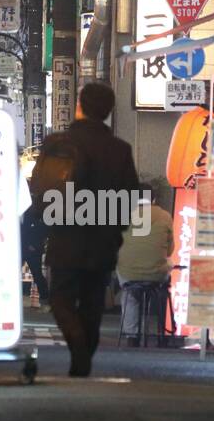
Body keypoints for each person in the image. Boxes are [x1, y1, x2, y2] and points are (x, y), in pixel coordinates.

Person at [34, 81, 139, 377]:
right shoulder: (119, 150)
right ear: (108, 111)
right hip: (103, 238)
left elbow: (41, 186)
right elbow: (130, 195)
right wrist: (115, 227)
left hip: (65, 235)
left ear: (79, 105)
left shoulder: (58, 143)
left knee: (60, 298)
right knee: (93, 302)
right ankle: (82, 359)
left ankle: (77, 344)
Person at [115, 184, 174, 341]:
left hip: (128, 273)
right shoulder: (165, 216)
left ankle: (131, 334)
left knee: (129, 292)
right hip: (156, 275)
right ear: (153, 199)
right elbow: (169, 250)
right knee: (169, 263)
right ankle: (163, 330)